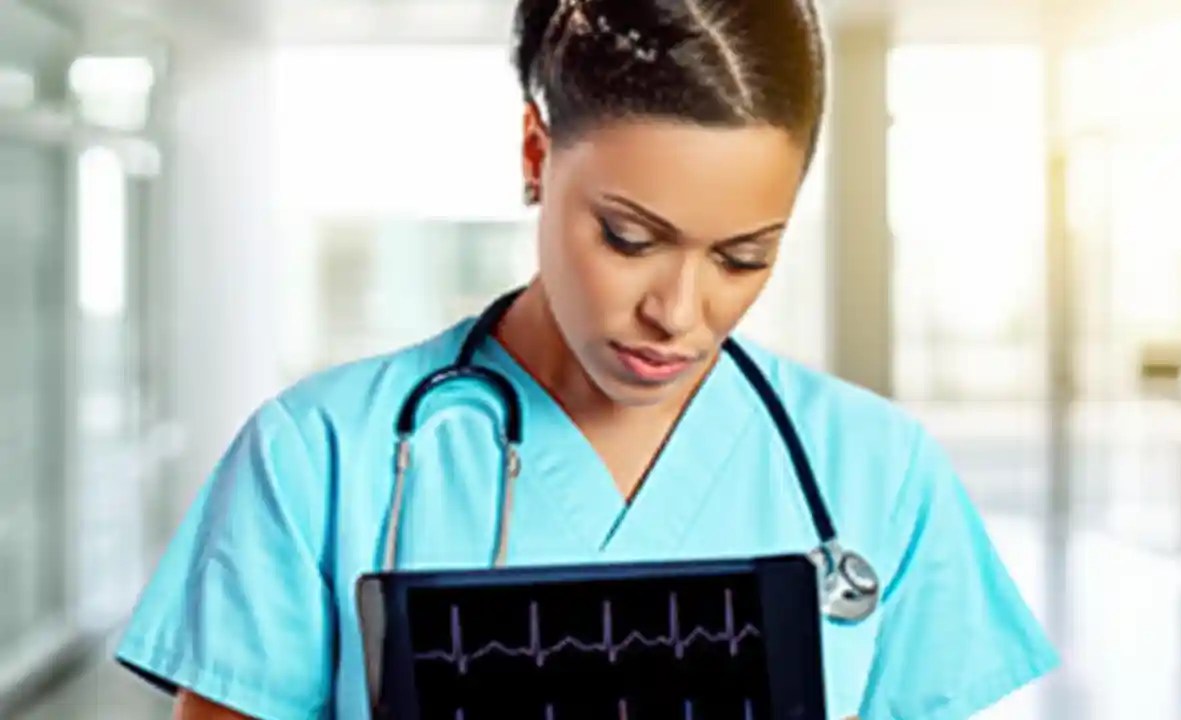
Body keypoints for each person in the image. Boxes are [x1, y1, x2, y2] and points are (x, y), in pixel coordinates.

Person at [114, 0, 1060, 717]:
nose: (678, 314)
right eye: (628, 237)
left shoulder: (876, 468)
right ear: (536, 151)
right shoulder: (317, 457)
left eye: (744, 257)